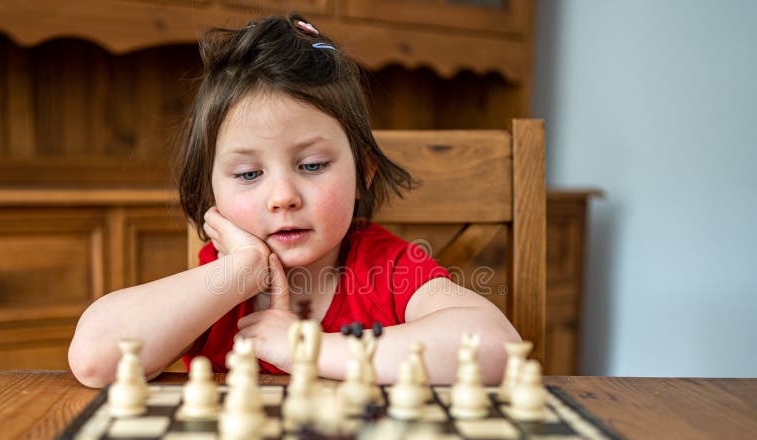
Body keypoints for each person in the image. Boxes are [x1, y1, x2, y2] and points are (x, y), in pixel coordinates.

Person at [68, 14, 520, 388]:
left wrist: (304, 347)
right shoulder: (220, 283)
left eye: (313, 165)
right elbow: (94, 359)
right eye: (248, 174)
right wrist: (242, 270)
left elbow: (494, 348)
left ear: (363, 173)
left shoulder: (388, 269)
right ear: (213, 195)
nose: (283, 197)